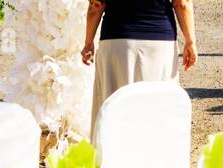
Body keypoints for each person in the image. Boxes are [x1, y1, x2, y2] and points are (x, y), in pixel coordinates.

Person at [82, 1, 197, 129]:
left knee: (113, 109)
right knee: (157, 108)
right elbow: (182, 4)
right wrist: (190, 42)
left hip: (116, 41)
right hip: (158, 43)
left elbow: (96, 7)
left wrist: (88, 44)